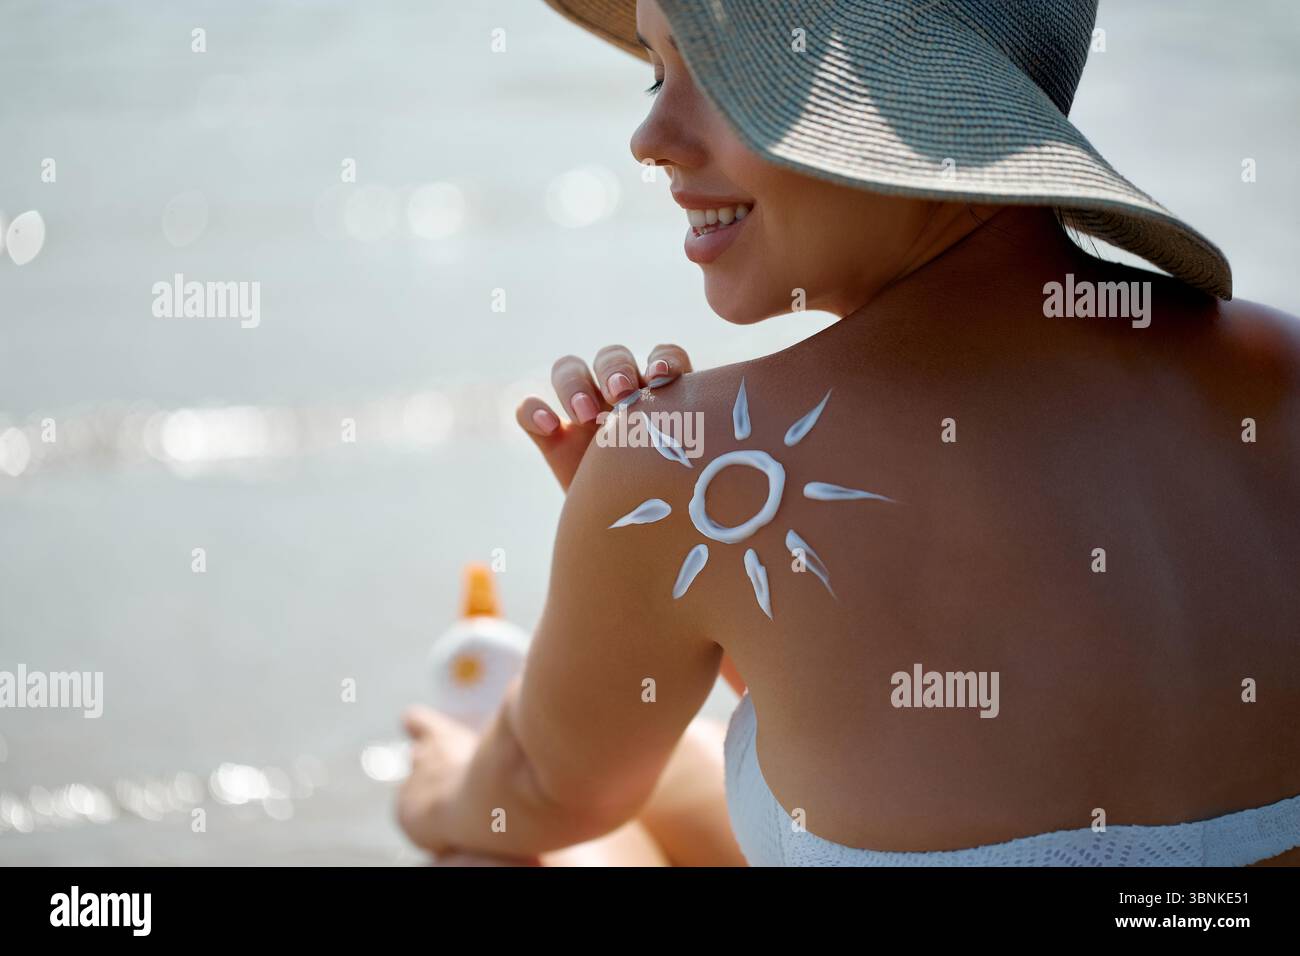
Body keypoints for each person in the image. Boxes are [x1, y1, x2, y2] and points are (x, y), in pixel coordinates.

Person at [398, 0, 1300, 865]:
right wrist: (674, 580)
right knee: (678, 771)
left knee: (497, 851)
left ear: (891, 99)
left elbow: (539, 791)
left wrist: (435, 789)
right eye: (654, 73)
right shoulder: (1277, 371)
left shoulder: (691, 459)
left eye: (717, 69)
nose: (649, 139)